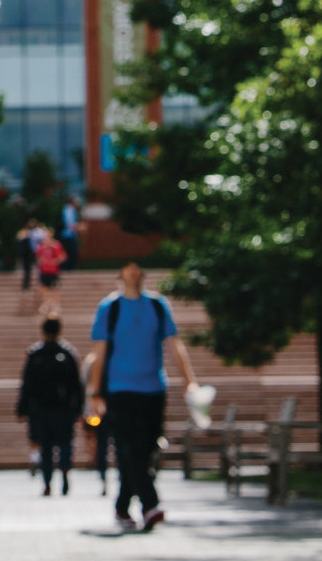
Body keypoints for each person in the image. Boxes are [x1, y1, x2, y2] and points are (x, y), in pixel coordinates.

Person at [88, 261, 201, 532]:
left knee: (145, 449)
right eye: (128, 268)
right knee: (131, 447)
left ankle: (121, 505)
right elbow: (99, 353)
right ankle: (150, 505)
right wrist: (95, 391)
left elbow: (175, 345)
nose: (133, 273)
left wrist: (190, 381)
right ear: (120, 273)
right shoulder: (110, 308)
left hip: (153, 388)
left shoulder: (158, 305)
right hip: (120, 388)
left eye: (138, 268)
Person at [16, 317, 87, 495]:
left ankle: (47, 483)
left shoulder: (35, 354)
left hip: (40, 409)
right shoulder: (68, 353)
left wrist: (22, 408)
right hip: (63, 409)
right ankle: (64, 473)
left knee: (46, 447)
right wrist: (78, 408)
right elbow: (77, 385)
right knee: (65, 445)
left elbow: (27, 384)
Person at [31, 226, 66, 322]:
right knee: (43, 288)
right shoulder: (41, 246)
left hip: (53, 271)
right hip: (44, 271)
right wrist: (42, 261)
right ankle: (46, 303)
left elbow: (62, 256)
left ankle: (56, 306)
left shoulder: (56, 245)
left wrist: (55, 261)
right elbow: (38, 257)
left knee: (55, 289)